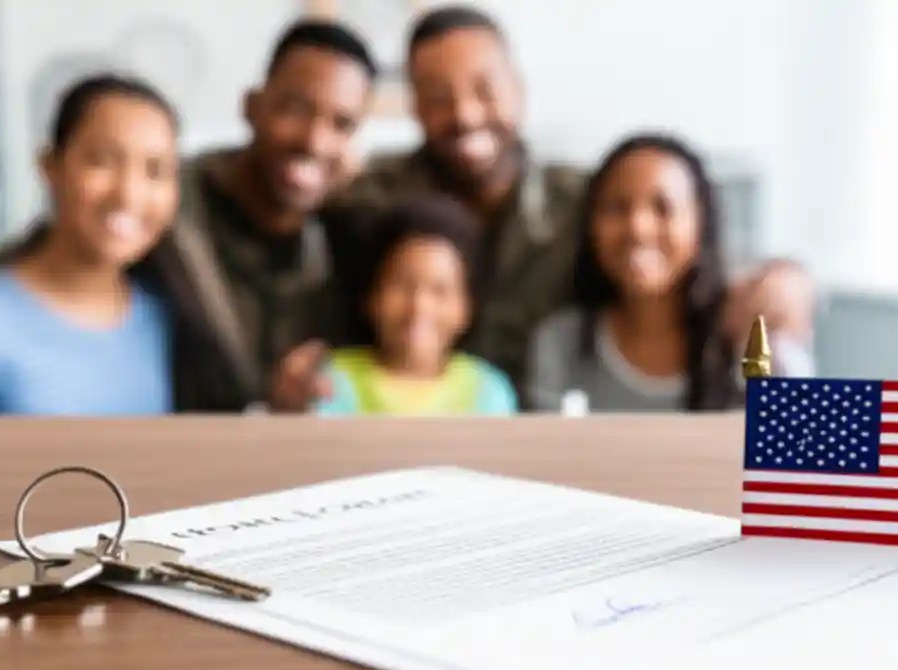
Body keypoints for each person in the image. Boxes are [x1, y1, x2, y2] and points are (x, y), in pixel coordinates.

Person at [0, 19, 378, 414]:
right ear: (252, 106)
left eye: (341, 124)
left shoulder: (355, 225)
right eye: (294, 108)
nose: (314, 140)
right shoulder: (176, 201)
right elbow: (59, 248)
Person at [328, 5, 586, 401]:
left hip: (542, 431)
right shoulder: (368, 202)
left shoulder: (580, 204)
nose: (464, 114)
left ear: (518, 89)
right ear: (415, 107)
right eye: (438, 96)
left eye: (485, 89)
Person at [0, 74, 179, 415]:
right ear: (50, 166)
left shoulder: (165, 319)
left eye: (156, 171)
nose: (128, 195)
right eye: (102, 161)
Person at [528, 134, 743, 413]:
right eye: (616, 208)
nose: (638, 229)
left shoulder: (754, 338)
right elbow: (546, 455)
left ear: (701, 222)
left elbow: (807, 451)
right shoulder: (559, 344)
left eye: (662, 208)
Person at [318, 197, 515, 416]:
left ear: (467, 308)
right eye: (402, 285)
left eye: (440, 291)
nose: (418, 308)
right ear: (370, 295)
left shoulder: (487, 390)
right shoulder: (332, 381)